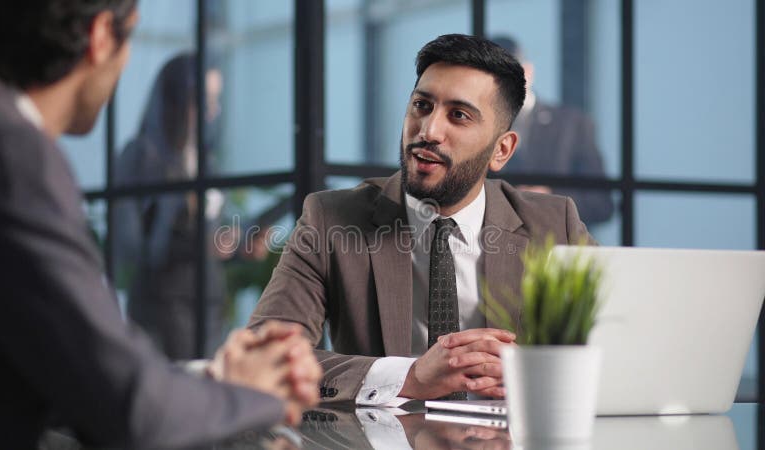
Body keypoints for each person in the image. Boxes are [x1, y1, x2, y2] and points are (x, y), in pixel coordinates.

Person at [0, 1, 320, 448]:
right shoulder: (8, 150)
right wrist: (249, 390)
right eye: (130, 36)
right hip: (166, 309)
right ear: (99, 36)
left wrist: (209, 381)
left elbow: (53, 373)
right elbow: (128, 408)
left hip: (195, 315)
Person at [249, 34, 594, 404]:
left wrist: (531, 374)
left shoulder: (555, 224)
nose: (428, 131)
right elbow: (263, 360)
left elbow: (619, 349)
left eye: (458, 115)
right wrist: (409, 377)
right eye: (421, 106)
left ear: (501, 150)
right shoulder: (330, 221)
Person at [113, 53, 229, 359]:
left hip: (209, 306)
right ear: (175, 100)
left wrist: (238, 246)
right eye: (203, 100)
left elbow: (210, 230)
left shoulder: (206, 162)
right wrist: (196, 245)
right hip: (163, 310)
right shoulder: (140, 156)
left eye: (216, 100)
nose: (213, 111)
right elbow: (131, 245)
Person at [489, 35, 614, 226]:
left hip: (554, 248)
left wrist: (550, 197)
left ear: (528, 72)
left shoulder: (571, 124)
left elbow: (601, 204)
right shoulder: (474, 123)